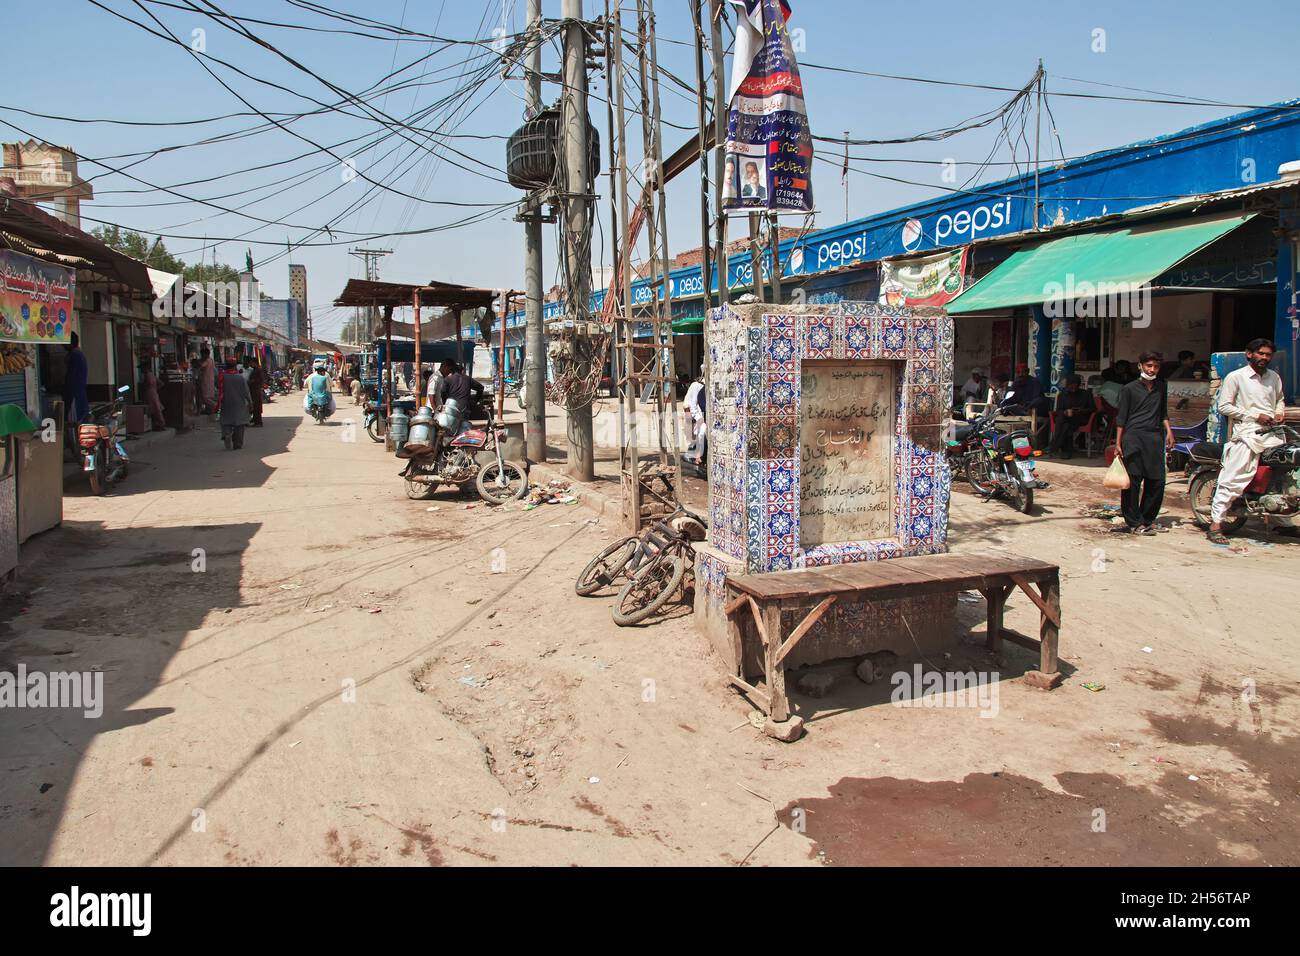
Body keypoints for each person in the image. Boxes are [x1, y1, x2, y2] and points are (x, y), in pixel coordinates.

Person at [1207, 339, 1290, 544]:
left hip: (1273, 433)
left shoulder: (1274, 377)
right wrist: (1254, 416)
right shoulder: (1236, 377)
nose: (1264, 358)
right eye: (1260, 353)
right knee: (1234, 479)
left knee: (1283, 476)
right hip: (1247, 434)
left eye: (1268, 354)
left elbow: (1279, 399)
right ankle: (1216, 524)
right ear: (1249, 354)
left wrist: (1279, 413)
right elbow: (1224, 407)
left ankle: (1282, 521)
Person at [1114, 351, 1175, 535]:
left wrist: (1169, 431)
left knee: (1157, 480)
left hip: (1155, 438)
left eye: (1156, 366)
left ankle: (1147, 519)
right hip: (1133, 438)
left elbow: (1163, 412)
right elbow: (1121, 417)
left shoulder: (1161, 386)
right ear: (1140, 366)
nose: (1152, 369)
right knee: (1133, 481)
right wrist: (1118, 443)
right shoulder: (1129, 388)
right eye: (1149, 366)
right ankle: (1134, 522)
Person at [1049, 374, 1093, 459]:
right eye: (1070, 384)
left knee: (1063, 422)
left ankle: (1054, 447)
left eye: (1075, 384)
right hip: (1066, 418)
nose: (1072, 386)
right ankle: (1066, 451)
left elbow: (1092, 408)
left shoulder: (1086, 394)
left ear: (1078, 384)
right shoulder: (1062, 395)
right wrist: (1065, 412)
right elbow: (1059, 410)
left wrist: (1081, 411)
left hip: (1081, 418)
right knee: (1065, 424)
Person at [217, 356, 252, 450]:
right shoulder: (240, 378)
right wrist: (250, 403)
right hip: (239, 404)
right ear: (235, 366)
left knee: (226, 421)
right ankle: (238, 443)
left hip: (226, 403)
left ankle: (227, 434)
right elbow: (247, 392)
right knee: (239, 425)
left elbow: (218, 390)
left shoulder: (222, 377)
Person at [683, 374, 705, 463]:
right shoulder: (696, 386)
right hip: (694, 414)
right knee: (695, 436)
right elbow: (690, 404)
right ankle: (692, 456)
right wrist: (696, 418)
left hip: (700, 414)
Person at [140, 359, 167, 431]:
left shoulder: (147, 375)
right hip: (154, 392)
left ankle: (160, 424)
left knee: (155, 409)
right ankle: (158, 424)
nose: (141, 370)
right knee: (156, 409)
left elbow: (146, 385)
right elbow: (161, 383)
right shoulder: (152, 375)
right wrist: (155, 389)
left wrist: (150, 388)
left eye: (142, 368)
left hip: (149, 393)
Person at [198, 348, 217, 413]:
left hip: (206, 381)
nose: (202, 356)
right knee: (208, 396)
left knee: (206, 397)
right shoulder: (210, 360)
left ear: (206, 354)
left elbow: (201, 365)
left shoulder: (208, 360)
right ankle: (209, 410)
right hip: (208, 380)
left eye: (202, 354)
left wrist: (197, 361)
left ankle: (216, 406)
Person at [247, 361, 265, 427]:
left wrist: (250, 382)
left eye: (251, 363)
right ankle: (255, 420)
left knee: (256, 407)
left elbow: (260, 379)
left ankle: (258, 422)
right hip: (254, 390)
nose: (250, 364)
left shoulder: (258, 370)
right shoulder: (255, 370)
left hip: (256, 390)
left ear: (255, 363)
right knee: (255, 407)